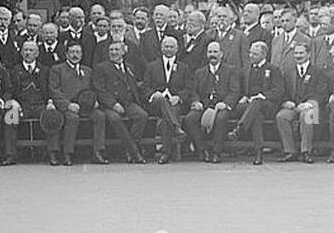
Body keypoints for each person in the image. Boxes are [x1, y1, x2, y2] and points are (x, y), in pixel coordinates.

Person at [92, 40, 149, 163]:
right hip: (109, 105)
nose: (113, 52)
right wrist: (113, 104)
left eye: (117, 50)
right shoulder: (101, 67)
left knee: (142, 115)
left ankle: (129, 149)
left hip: (128, 103)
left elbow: (134, 85)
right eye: (111, 50)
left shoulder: (129, 67)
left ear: (123, 52)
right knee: (115, 119)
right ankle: (135, 152)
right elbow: (99, 89)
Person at [183, 40, 240, 163]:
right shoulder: (200, 72)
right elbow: (193, 91)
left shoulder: (231, 70)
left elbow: (235, 91)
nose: (212, 54)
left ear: (221, 54)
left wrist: (225, 103)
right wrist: (196, 101)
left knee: (221, 118)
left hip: (222, 106)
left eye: (215, 51)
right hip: (204, 105)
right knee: (189, 119)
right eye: (210, 52)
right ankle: (202, 149)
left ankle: (216, 152)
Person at [229, 40, 283, 165]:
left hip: (268, 105)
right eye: (251, 53)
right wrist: (244, 97)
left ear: (263, 55)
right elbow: (241, 89)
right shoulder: (246, 70)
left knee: (257, 102)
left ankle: (239, 130)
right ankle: (258, 153)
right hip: (250, 107)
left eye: (255, 54)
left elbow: (278, 90)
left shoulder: (273, 69)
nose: (251, 56)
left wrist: (262, 96)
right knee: (256, 117)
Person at [143, 34, 190, 164]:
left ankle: (165, 154)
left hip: (174, 104)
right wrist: (154, 94)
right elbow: (145, 87)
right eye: (166, 46)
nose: (168, 49)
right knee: (162, 101)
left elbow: (188, 88)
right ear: (161, 48)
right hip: (156, 103)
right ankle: (176, 128)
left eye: (171, 47)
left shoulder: (184, 67)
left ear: (176, 49)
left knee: (165, 121)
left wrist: (179, 97)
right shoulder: (151, 66)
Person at [12, 40, 60, 165]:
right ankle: (10, 154)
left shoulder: (45, 70)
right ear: (21, 53)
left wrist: (50, 102)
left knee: (52, 117)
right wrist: (13, 102)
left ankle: (52, 153)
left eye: (31, 50)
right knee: (10, 117)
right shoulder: (15, 70)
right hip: (22, 105)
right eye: (25, 50)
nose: (28, 53)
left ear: (37, 53)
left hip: (40, 105)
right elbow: (10, 89)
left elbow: (50, 88)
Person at [47, 42, 95, 165]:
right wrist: (68, 105)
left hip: (84, 106)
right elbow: (54, 90)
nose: (75, 55)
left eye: (78, 52)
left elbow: (93, 89)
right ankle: (66, 153)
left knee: (100, 116)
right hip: (64, 106)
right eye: (72, 52)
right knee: (70, 118)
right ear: (66, 54)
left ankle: (98, 151)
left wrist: (94, 101)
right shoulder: (57, 69)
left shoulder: (87, 70)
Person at [276, 41, 323, 163]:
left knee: (306, 115)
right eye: (296, 53)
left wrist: (308, 104)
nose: (298, 55)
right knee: (281, 116)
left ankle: (306, 151)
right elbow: (283, 90)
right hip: (293, 106)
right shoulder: (288, 72)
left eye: (301, 53)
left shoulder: (317, 71)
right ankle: (290, 151)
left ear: (308, 54)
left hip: (311, 106)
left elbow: (321, 93)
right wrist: (286, 101)